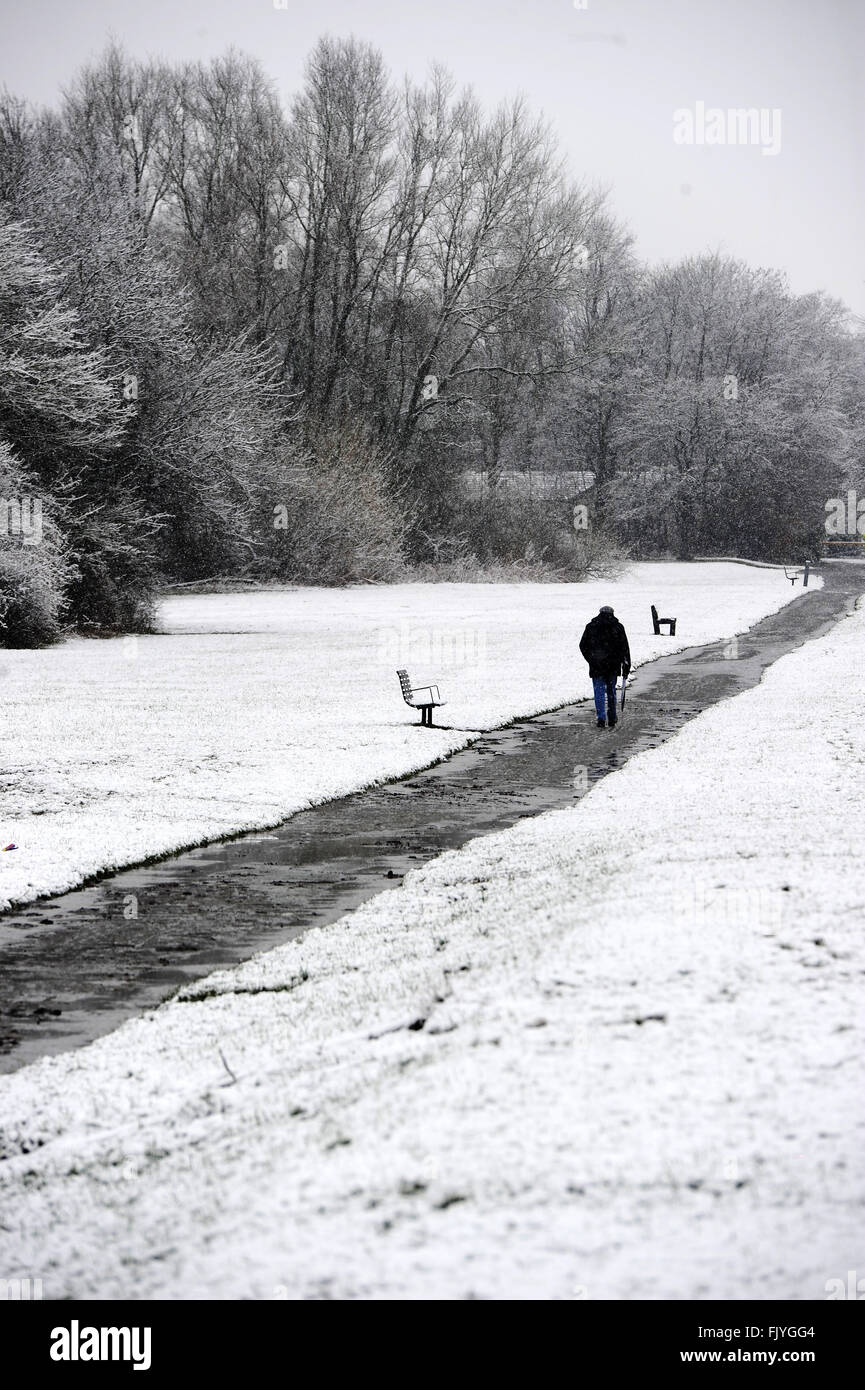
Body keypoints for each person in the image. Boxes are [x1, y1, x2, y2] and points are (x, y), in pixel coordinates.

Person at [579, 605, 631, 729]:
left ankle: (601, 718)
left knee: (599, 692)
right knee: (611, 692)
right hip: (612, 665)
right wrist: (626, 665)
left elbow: (583, 645)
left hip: (597, 665)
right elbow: (625, 648)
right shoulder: (617, 627)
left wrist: (591, 659)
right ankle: (612, 717)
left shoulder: (591, 626)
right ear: (612, 613)